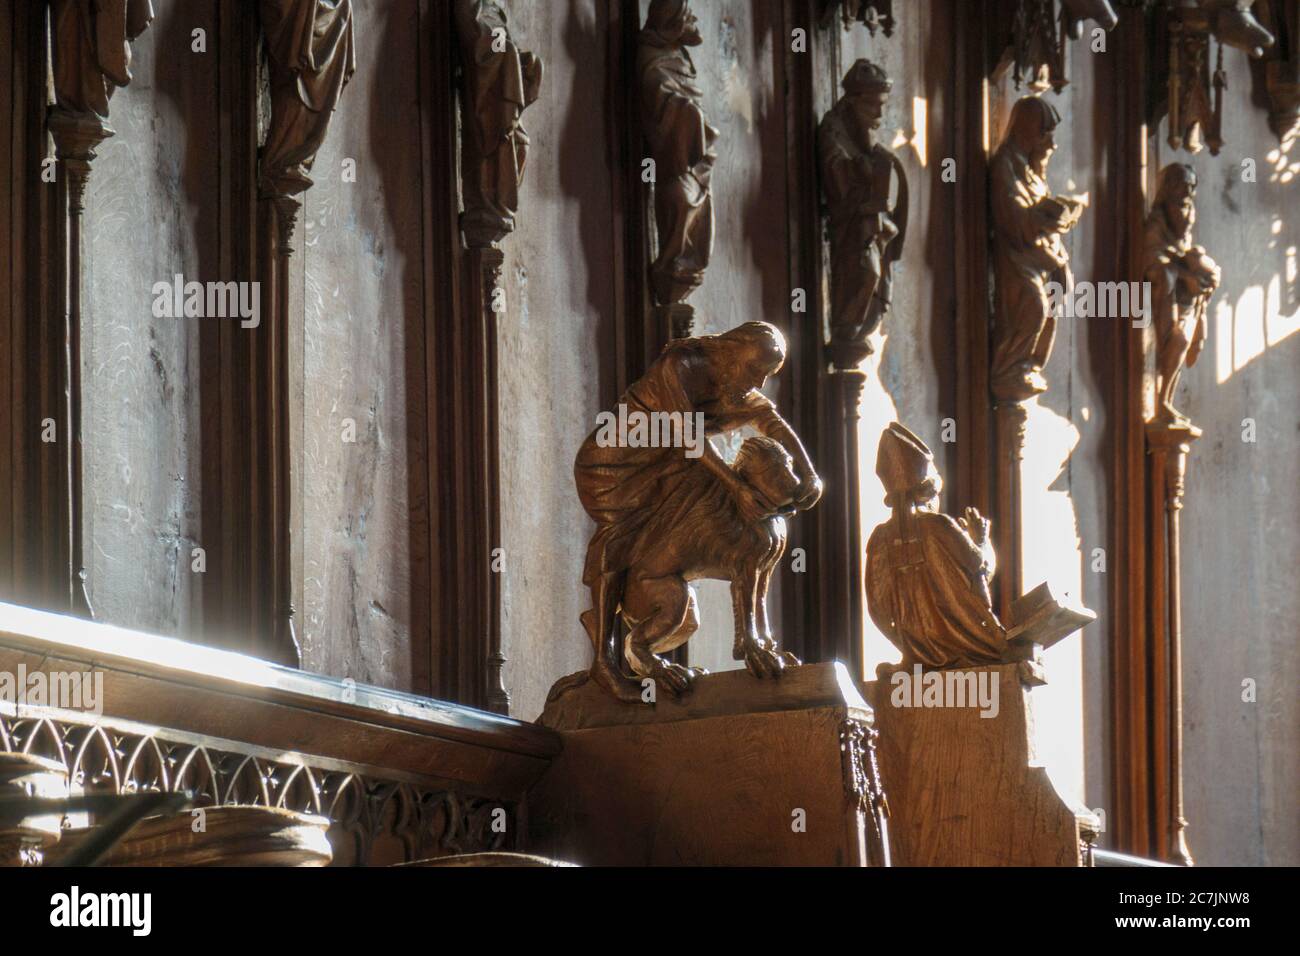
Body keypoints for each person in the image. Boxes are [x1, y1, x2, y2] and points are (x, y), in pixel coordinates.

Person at [574, 322, 821, 700]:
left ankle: (743, 635)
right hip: (616, 461)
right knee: (620, 536)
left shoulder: (737, 384)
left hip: (670, 460)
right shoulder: (682, 365)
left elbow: (771, 422)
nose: (760, 381)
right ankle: (604, 663)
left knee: (704, 516)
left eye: (767, 375)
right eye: (756, 369)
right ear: (731, 350)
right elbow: (689, 436)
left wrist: (810, 475)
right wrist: (736, 487)